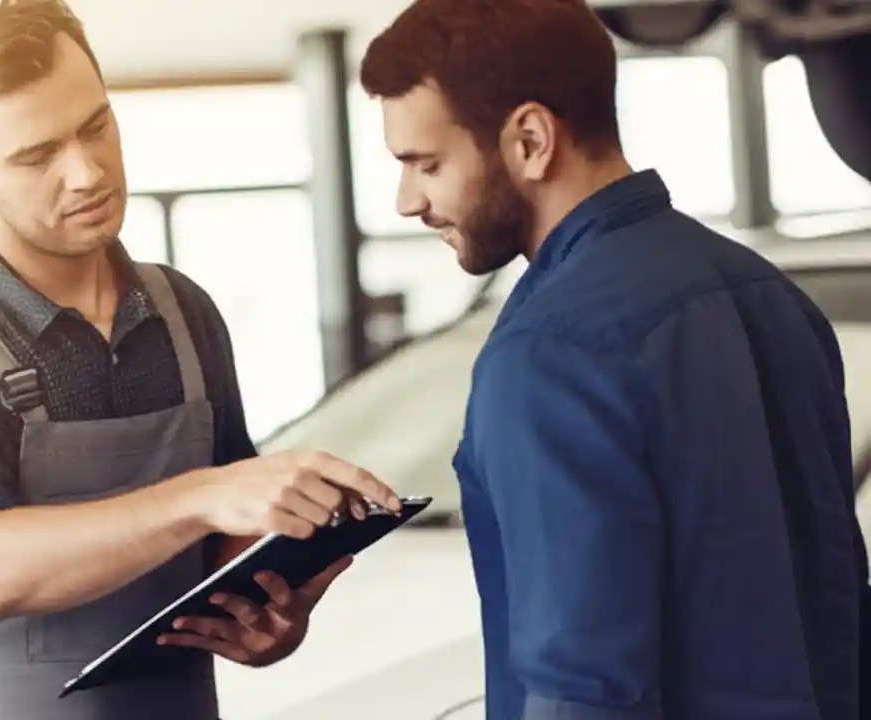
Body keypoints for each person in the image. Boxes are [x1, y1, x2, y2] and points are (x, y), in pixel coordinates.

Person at [0, 1, 400, 718]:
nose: (85, 173)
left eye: (95, 127)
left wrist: (271, 617)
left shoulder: (183, 313)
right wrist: (200, 492)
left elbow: (221, 545)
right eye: (36, 156)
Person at [360, 1, 869, 719]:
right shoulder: (775, 299)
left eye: (427, 163)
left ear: (530, 139)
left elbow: (585, 685)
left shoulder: (549, 353)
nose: (408, 200)